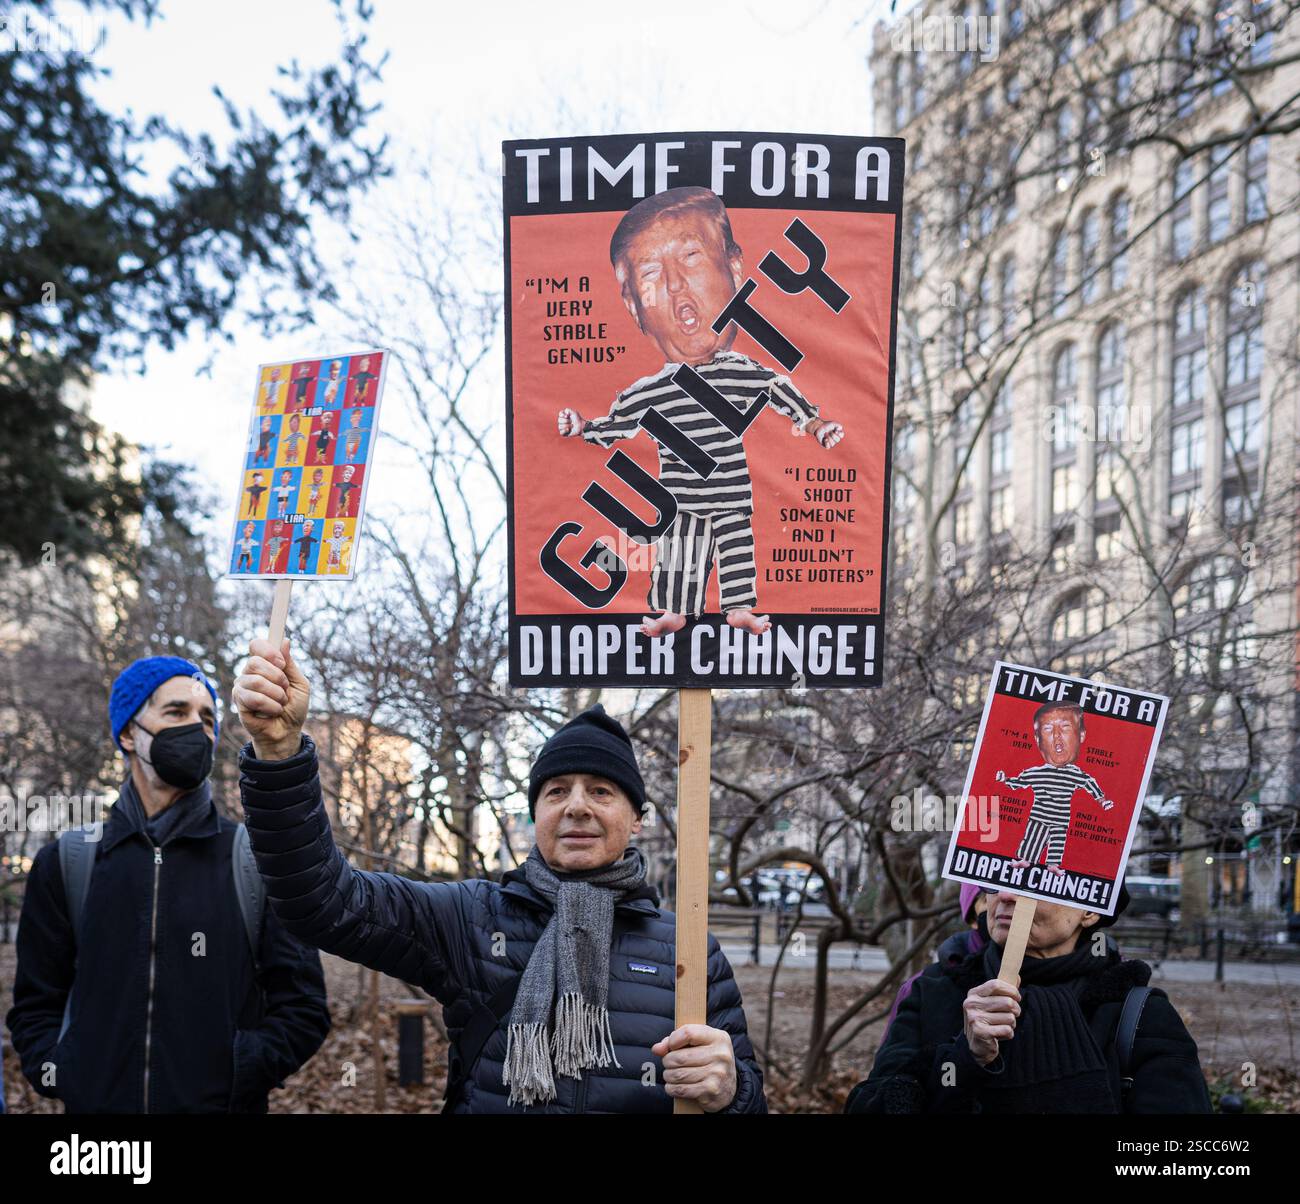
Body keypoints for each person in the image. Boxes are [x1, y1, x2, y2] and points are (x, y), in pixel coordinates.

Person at [232, 641, 767, 1114]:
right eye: (556, 791)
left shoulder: (690, 952)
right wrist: (279, 755)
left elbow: (747, 1104)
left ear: (638, 818)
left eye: (601, 791)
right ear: (536, 816)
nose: (577, 807)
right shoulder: (472, 917)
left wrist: (731, 1093)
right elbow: (323, 901)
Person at [6, 656, 329, 1113]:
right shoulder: (66, 862)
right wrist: (65, 1072)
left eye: (207, 718)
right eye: (176, 713)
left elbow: (304, 1008)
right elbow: (35, 1005)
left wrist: (237, 1071)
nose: (196, 729)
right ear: (127, 733)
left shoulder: (256, 860)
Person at [556, 186, 845, 639]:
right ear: (634, 307)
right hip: (682, 500)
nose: (674, 285)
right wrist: (582, 427)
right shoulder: (649, 391)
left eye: (690, 256)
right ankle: (674, 609)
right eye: (651, 272)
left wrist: (814, 422)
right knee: (679, 552)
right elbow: (617, 425)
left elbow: (776, 388)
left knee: (736, 548)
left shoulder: (741, 371)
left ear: (733, 266)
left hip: (730, 495)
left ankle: (740, 607)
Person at [845, 888, 1212, 1114]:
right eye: (997, 878)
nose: (1006, 895)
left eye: (1038, 881)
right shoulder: (935, 991)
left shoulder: (1139, 1014)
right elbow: (872, 1103)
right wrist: (965, 1059)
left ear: (1090, 910)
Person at [998, 701, 1114, 875]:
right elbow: (1019, 782)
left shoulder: (1075, 773)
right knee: (1033, 837)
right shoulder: (1036, 773)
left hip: (1061, 818)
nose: (1057, 736)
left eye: (1065, 727)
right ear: (1038, 739)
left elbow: (1089, 783)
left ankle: (1053, 864)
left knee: (1058, 840)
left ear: (1081, 735)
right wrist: (1005, 780)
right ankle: (1025, 859)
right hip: (1039, 815)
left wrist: (1102, 800)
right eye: (1048, 729)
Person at [882, 882, 988, 1038]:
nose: (1009, 900)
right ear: (972, 916)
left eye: (1025, 898)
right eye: (990, 897)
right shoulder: (919, 990)